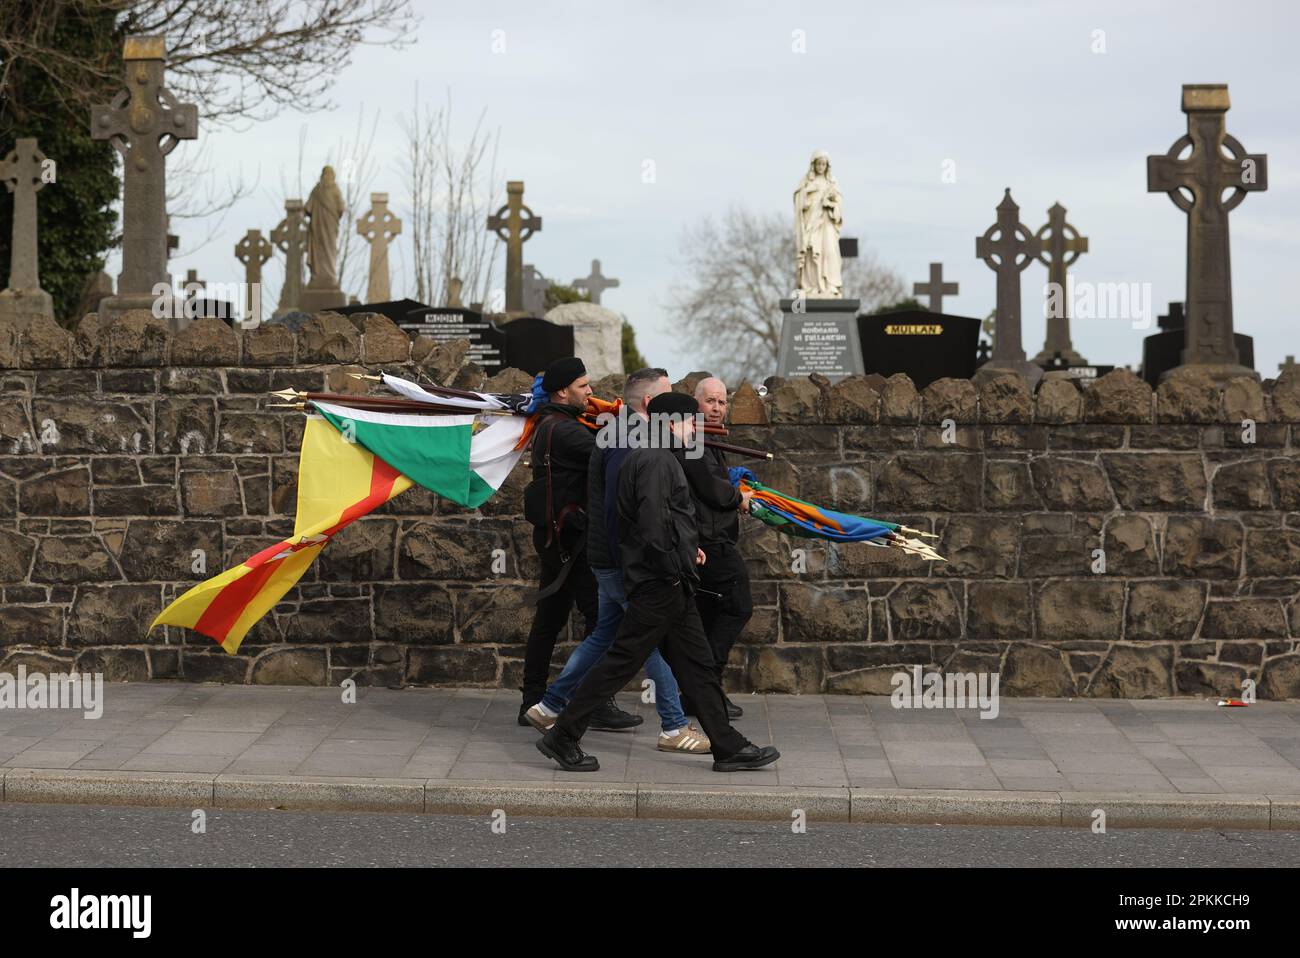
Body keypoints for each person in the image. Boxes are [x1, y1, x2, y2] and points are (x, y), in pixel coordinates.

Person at [536, 392, 780, 773]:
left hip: (668, 576)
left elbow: (661, 521)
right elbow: (652, 525)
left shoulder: (650, 453)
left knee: (696, 665)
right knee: (619, 661)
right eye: (690, 423)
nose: (695, 431)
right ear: (670, 424)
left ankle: (728, 746)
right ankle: (562, 734)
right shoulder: (654, 459)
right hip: (660, 580)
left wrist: (687, 550)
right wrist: (677, 560)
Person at [524, 368, 710, 754]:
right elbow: (632, 511)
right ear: (649, 403)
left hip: (608, 556)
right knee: (651, 637)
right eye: (666, 397)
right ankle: (674, 727)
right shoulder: (630, 441)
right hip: (621, 559)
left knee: (606, 635)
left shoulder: (622, 435)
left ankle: (549, 706)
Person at [518, 357, 636, 731]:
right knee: (602, 622)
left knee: (549, 620)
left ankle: (532, 701)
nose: (590, 393)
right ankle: (591, 703)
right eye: (583, 387)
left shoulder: (556, 424)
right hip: (574, 541)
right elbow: (616, 456)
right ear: (561, 392)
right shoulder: (566, 431)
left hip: (558, 538)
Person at [680, 377, 753, 719]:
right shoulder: (693, 440)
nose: (717, 409)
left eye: (722, 403)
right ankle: (706, 690)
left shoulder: (710, 439)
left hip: (712, 539)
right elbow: (710, 488)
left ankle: (701, 694)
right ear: (696, 403)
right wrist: (739, 497)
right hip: (709, 543)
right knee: (738, 606)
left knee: (708, 617)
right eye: (711, 401)